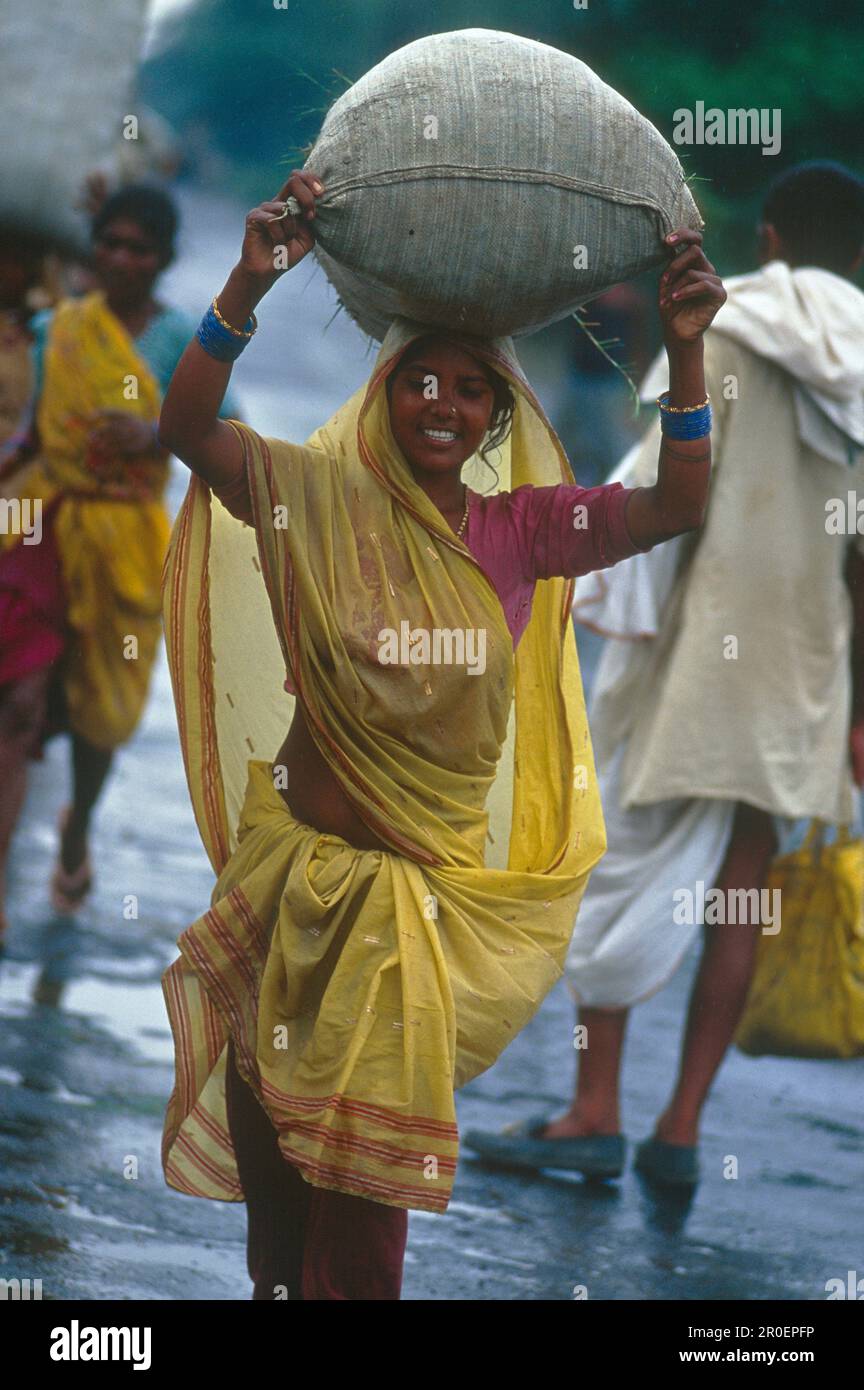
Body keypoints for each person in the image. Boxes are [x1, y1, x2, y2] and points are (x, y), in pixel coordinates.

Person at [156, 169, 726, 1299]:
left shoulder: (522, 531)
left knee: (362, 1226)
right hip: (293, 895)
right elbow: (186, 428)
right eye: (420, 378)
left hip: (406, 933)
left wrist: (689, 352)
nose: (441, 403)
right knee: (277, 1202)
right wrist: (245, 286)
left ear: (496, 422)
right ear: (381, 393)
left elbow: (674, 506)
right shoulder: (308, 497)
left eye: (471, 391)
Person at [463, 161, 864, 1189]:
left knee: (625, 860)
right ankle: (680, 1129)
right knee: (744, 881)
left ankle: (593, 1110)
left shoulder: (726, 329)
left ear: (770, 235)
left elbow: (657, 480)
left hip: (692, 650)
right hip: (807, 662)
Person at [0, 185, 241, 938]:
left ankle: (77, 827)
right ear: (89, 250)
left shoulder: (180, 341)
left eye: (139, 248)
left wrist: (154, 434)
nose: (121, 259)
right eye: (110, 243)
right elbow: (35, 433)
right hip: (47, 519)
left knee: (103, 711)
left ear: (164, 261)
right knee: (19, 694)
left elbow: (225, 430)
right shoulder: (56, 328)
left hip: (127, 537)